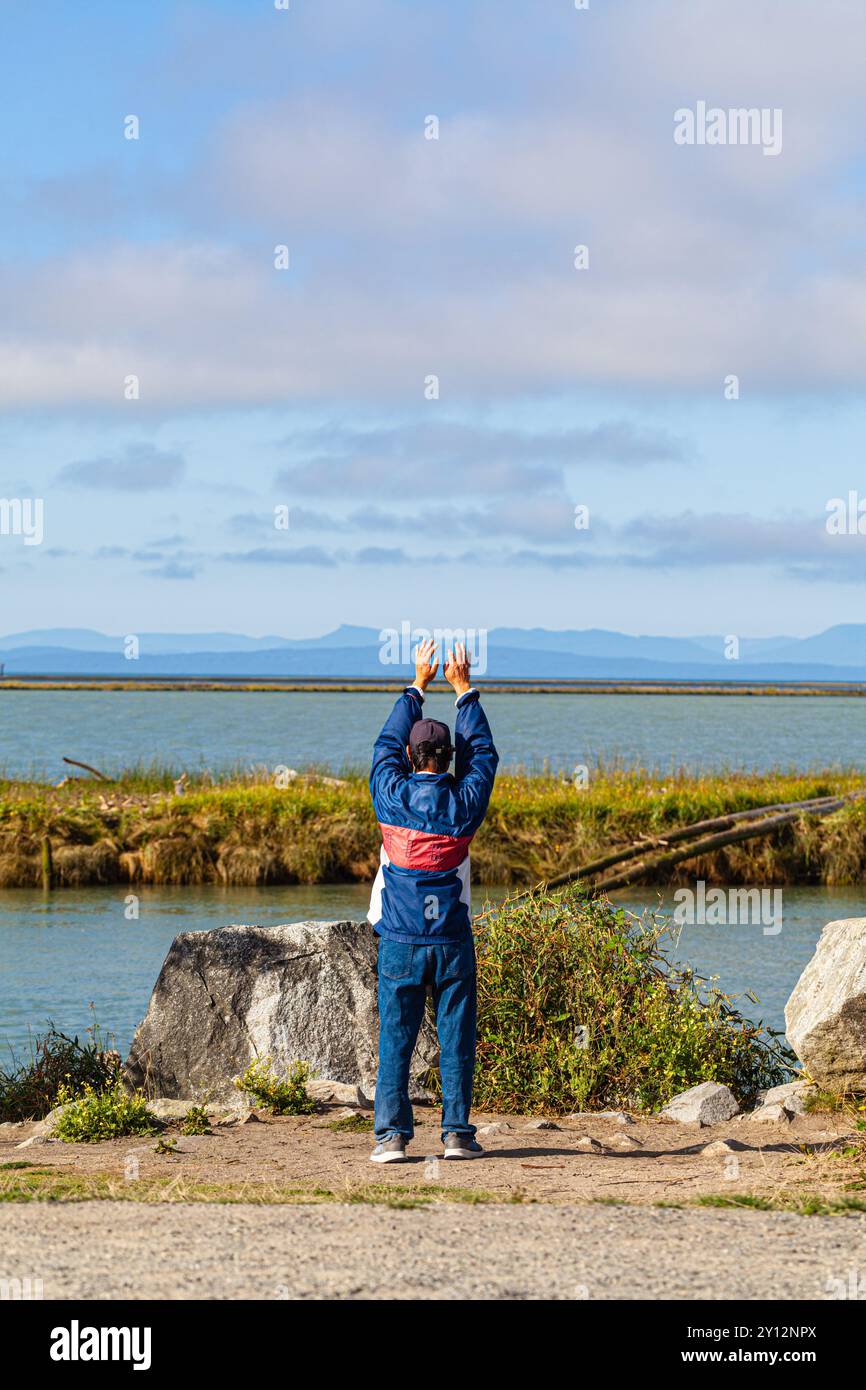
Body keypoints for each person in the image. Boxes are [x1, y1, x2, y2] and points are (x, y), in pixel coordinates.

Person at [367, 637, 499, 1163]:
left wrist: (417, 684)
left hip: (400, 938)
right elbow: (483, 755)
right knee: (456, 1038)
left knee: (395, 1040)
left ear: (408, 758)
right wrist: (462, 689)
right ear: (448, 761)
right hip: (451, 938)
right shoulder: (465, 803)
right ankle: (457, 1136)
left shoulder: (389, 794)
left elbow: (382, 747)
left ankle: (392, 1140)